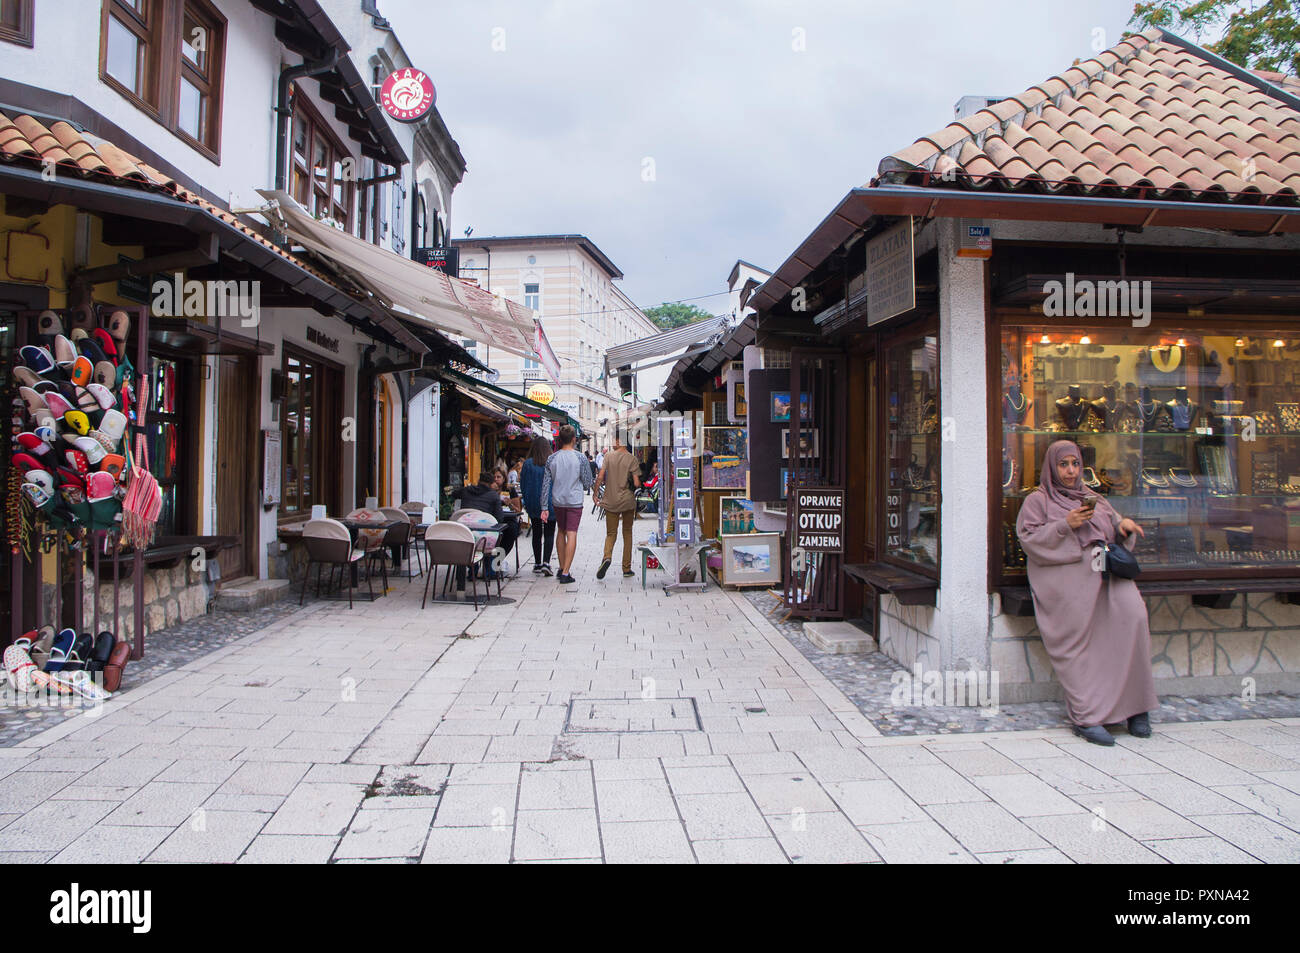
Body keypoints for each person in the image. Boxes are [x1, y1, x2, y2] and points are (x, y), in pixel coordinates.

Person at [1015, 440, 1158, 746]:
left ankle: (1136, 707)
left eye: (1075, 464)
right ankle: (1087, 716)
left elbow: (1112, 523)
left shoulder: (1092, 497)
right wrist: (1064, 525)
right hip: (1065, 580)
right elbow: (1029, 539)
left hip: (1105, 573)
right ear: (1052, 467)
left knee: (1133, 617)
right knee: (1078, 641)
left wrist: (1124, 527)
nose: (1070, 471)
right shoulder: (1038, 501)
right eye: (1063, 465)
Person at [541, 425, 593, 584]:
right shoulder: (580, 458)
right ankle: (565, 572)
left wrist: (544, 506)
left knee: (561, 531)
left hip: (558, 499)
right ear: (574, 439)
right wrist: (583, 486)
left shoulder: (552, 458)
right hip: (574, 500)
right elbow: (587, 482)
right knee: (572, 533)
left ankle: (561, 566)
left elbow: (546, 484)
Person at [594, 440, 640, 579]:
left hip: (611, 500)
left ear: (621, 441)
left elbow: (601, 476)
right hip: (627, 501)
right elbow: (637, 483)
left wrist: (595, 493)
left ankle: (607, 557)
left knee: (611, 533)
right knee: (627, 534)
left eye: (615, 439)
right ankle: (626, 568)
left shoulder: (608, 456)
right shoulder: (632, 459)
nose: (613, 442)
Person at [520, 436, 557, 575]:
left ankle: (537, 563)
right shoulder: (552, 463)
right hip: (550, 503)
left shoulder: (528, 464)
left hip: (534, 502)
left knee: (536, 532)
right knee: (549, 533)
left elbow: (523, 484)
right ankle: (546, 563)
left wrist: (526, 500)